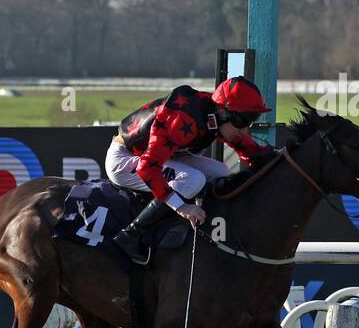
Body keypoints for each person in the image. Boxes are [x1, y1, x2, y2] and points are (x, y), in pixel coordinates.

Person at [105, 76, 276, 262]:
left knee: (221, 172)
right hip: (125, 160)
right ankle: (131, 234)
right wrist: (182, 207)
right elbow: (147, 168)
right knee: (194, 179)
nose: (245, 130)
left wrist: (283, 156)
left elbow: (251, 151)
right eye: (243, 120)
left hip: (161, 156)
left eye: (251, 121)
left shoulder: (217, 114)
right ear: (224, 112)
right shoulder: (185, 119)